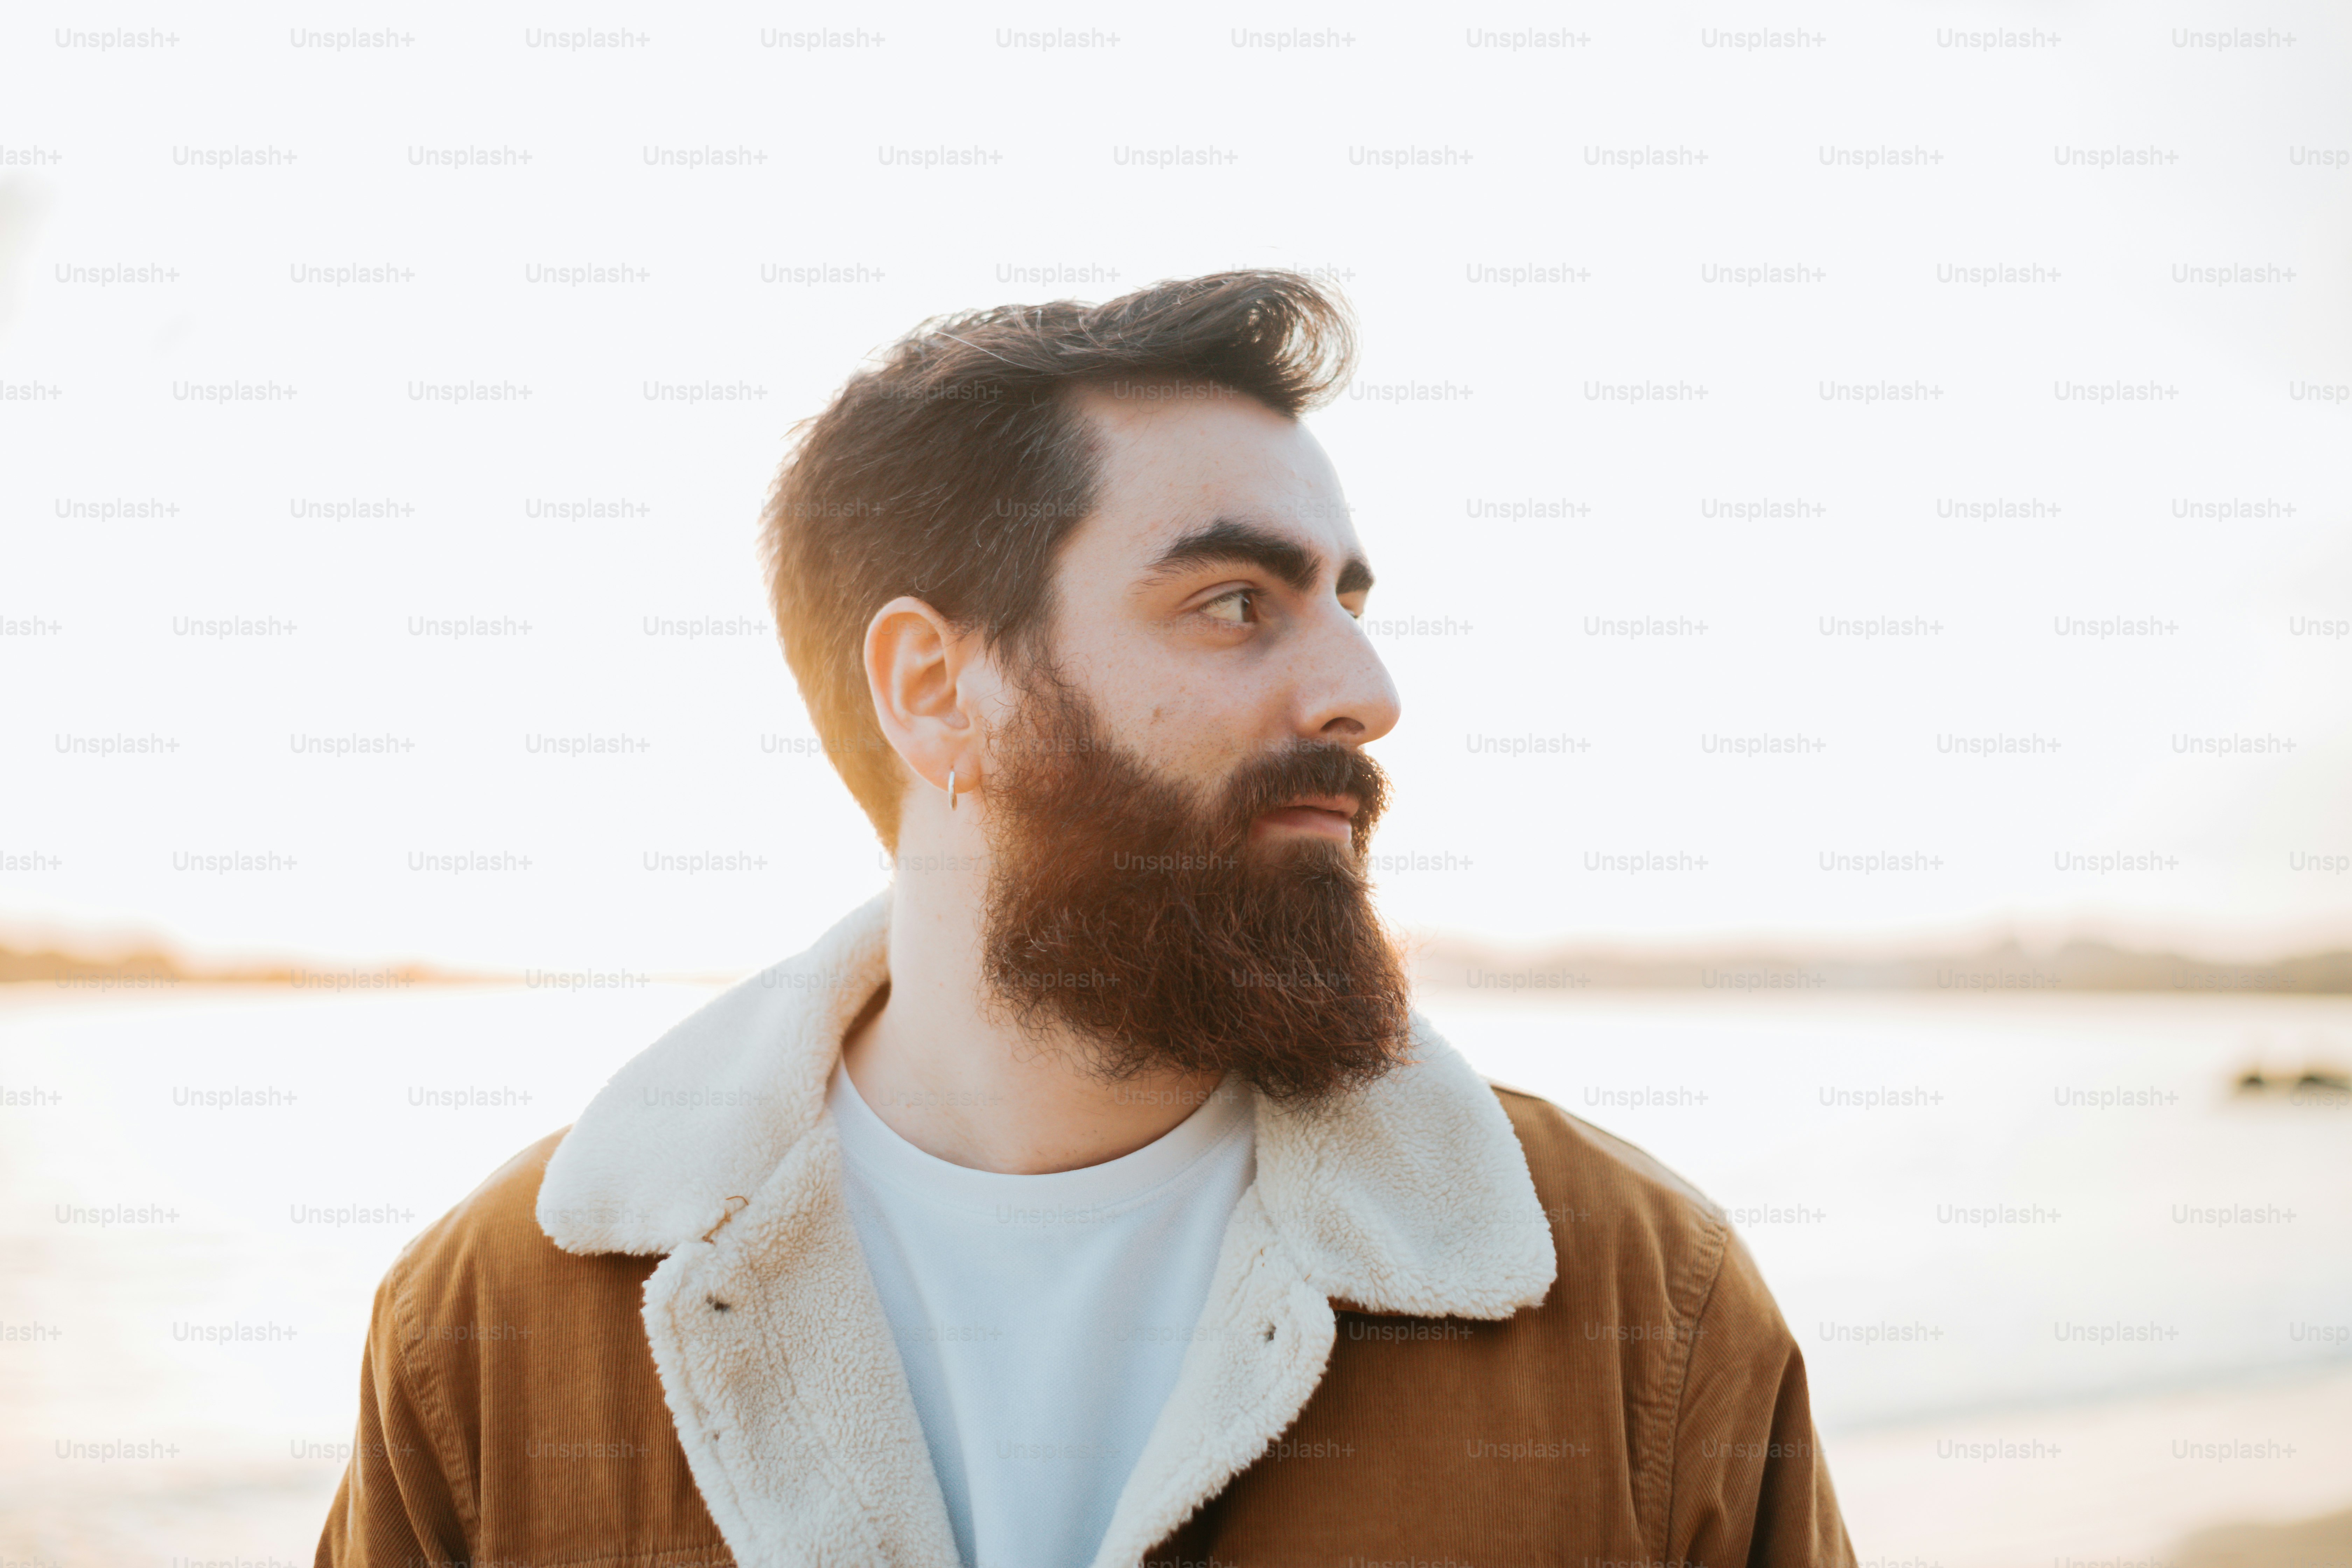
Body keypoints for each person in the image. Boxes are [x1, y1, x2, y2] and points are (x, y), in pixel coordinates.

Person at [317, 271, 1854, 1568]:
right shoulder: (492, 1329)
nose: (1366, 697)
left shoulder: (1642, 1306)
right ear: (936, 690)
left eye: (1346, 607)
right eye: (1238, 603)